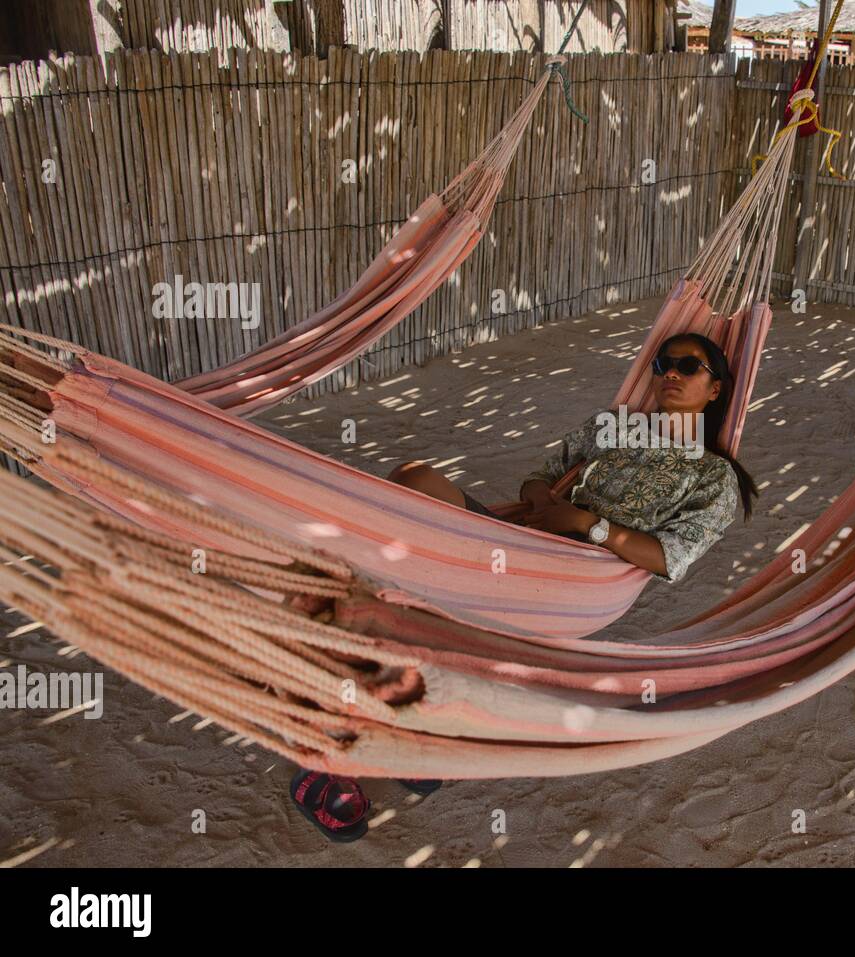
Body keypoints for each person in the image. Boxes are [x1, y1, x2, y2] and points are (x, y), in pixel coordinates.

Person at [289, 332, 759, 840]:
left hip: (581, 579)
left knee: (410, 607)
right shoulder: (617, 427)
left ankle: (330, 751)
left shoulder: (713, 477)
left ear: (716, 390)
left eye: (689, 366)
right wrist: (542, 506)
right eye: (664, 363)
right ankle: (414, 733)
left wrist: (582, 523)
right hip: (526, 543)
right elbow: (542, 475)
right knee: (413, 480)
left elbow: (672, 557)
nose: (671, 372)